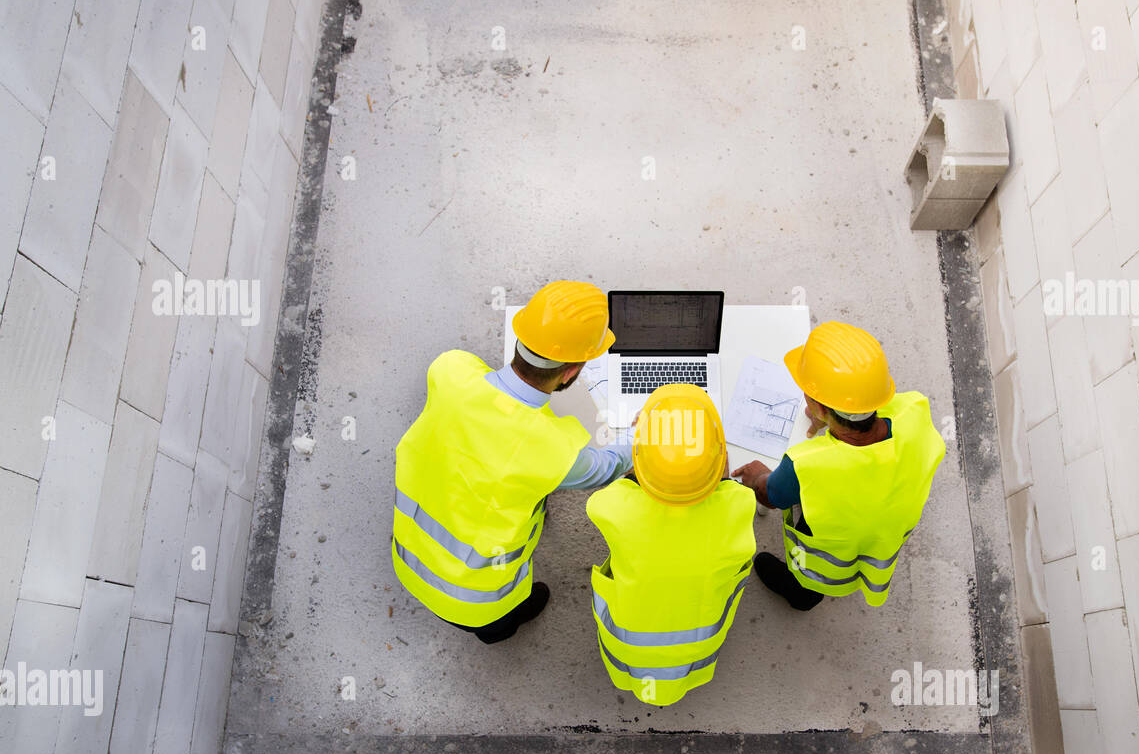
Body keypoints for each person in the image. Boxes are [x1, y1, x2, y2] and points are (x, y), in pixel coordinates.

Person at [392, 281, 633, 644]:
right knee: (496, 628)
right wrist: (639, 434)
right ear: (570, 372)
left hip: (406, 560)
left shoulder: (449, 370)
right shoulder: (555, 453)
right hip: (476, 601)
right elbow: (609, 466)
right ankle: (503, 626)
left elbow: (481, 390)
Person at [731, 321, 945, 611]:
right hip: (885, 529)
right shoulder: (915, 410)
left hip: (832, 556)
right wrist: (831, 416)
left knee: (808, 582)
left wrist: (758, 478)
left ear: (817, 407)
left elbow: (770, 497)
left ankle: (803, 595)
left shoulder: (807, 466)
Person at [586, 384, 756, 704]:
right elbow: (730, 491)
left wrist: (641, 443)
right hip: (697, 651)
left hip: (626, 650)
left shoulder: (612, 505)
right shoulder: (739, 505)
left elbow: (619, 486)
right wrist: (713, 469)